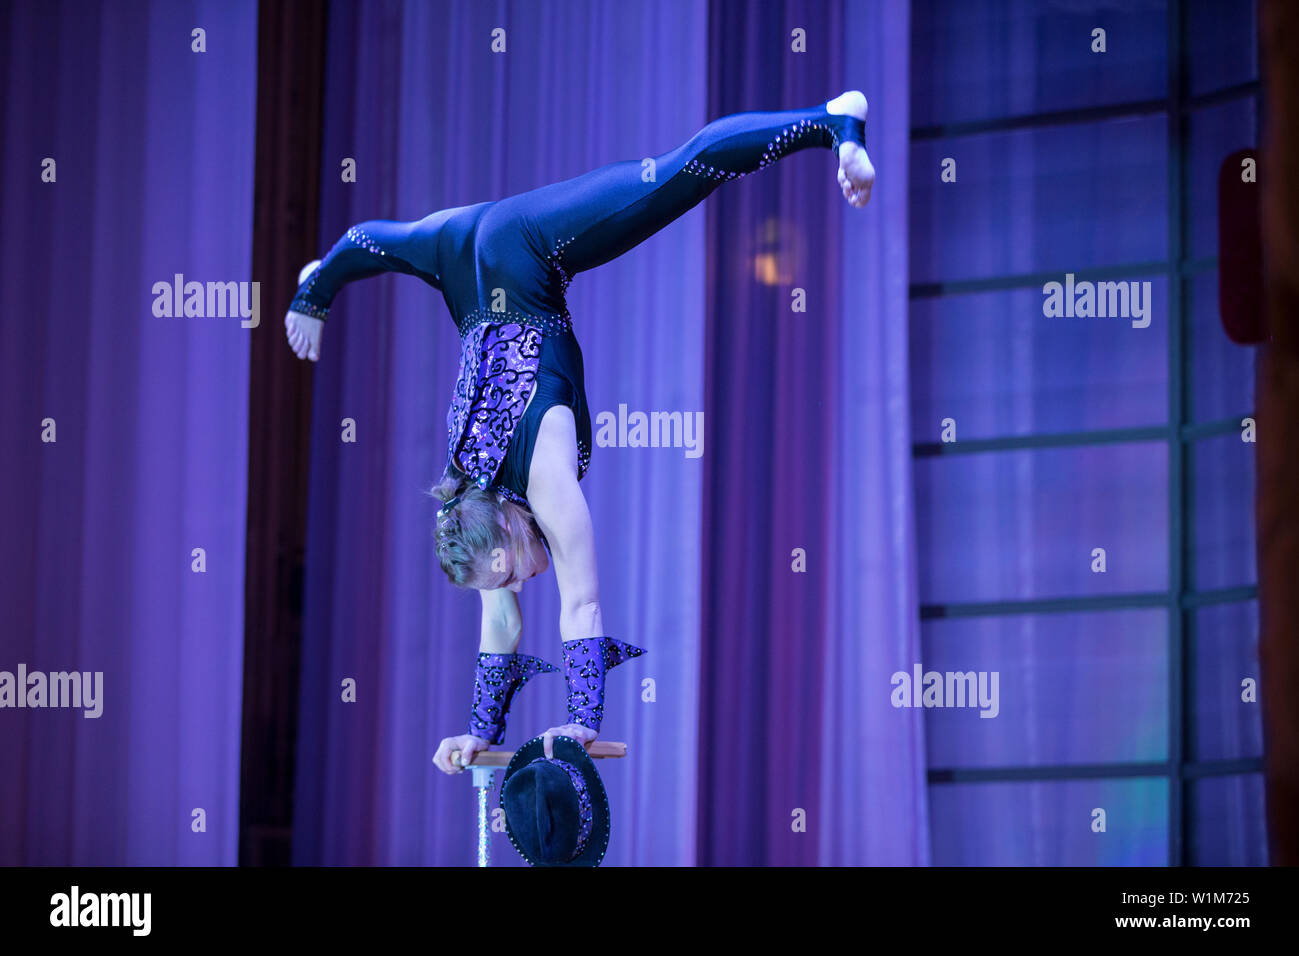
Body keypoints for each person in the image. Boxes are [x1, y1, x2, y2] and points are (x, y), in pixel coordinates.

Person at [282, 91, 874, 771]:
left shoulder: (544, 481)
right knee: (377, 247)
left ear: (504, 542)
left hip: (520, 246)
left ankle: (835, 121)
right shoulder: (472, 502)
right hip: (455, 256)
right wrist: (478, 732)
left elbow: (582, 600)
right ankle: (317, 279)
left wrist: (582, 721)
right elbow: (501, 617)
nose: (522, 585)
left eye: (507, 577)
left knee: (674, 178)